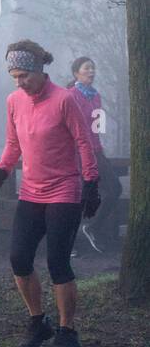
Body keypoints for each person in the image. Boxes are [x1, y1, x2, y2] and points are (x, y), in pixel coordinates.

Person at [0, 42, 99, 347]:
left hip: (64, 189)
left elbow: (84, 141)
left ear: (39, 70)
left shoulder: (64, 100)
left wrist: (91, 182)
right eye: (14, 76)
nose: (20, 82)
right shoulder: (14, 101)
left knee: (57, 261)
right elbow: (13, 144)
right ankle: (38, 321)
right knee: (19, 258)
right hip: (31, 191)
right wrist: (0, 172)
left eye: (24, 75)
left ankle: (67, 331)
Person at [67, 57, 121, 254]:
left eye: (93, 68)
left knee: (115, 188)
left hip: (96, 151)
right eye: (87, 68)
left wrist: (100, 150)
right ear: (76, 73)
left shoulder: (96, 96)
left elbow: (97, 127)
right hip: (77, 153)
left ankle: (93, 227)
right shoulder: (70, 95)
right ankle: (69, 244)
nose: (91, 71)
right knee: (78, 197)